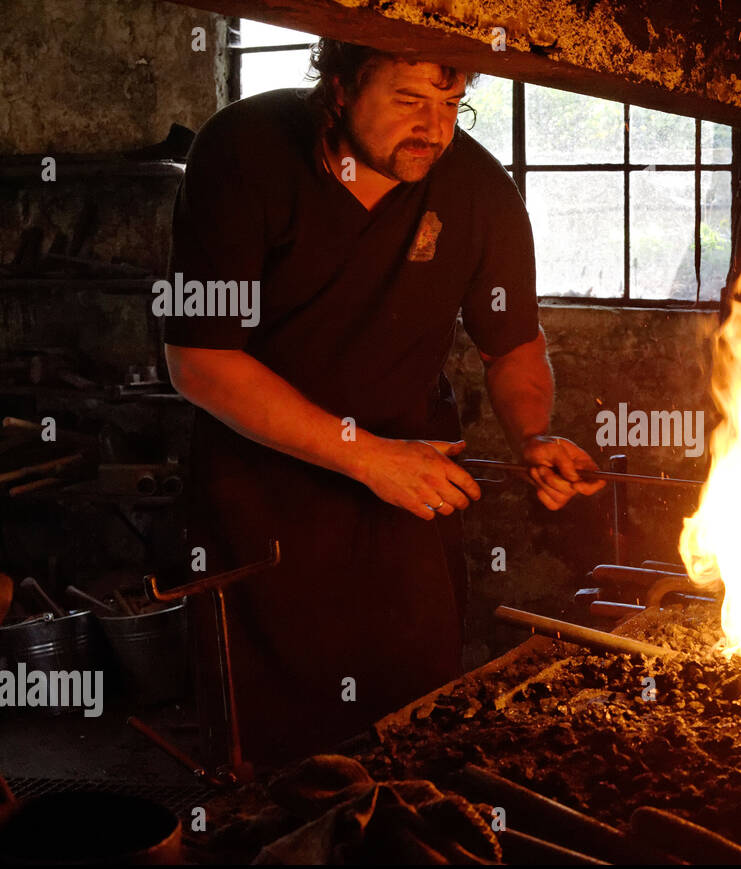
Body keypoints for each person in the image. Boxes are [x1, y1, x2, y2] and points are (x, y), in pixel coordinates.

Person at [162, 38, 604, 769]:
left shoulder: (476, 188)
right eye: (408, 101)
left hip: (409, 494)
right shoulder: (241, 153)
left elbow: (513, 346)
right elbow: (199, 361)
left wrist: (533, 434)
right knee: (274, 757)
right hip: (262, 500)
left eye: (451, 103)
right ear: (338, 86)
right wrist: (365, 455)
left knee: (413, 724)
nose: (434, 127)